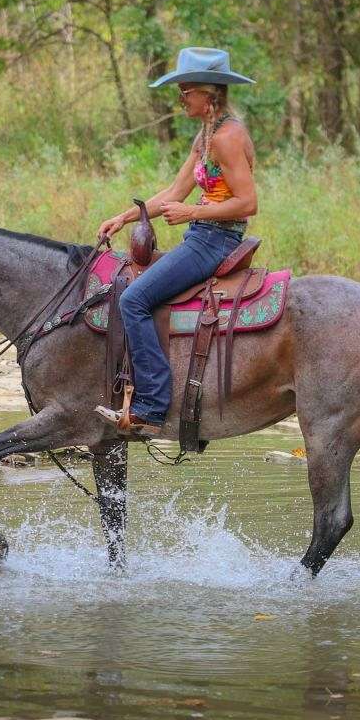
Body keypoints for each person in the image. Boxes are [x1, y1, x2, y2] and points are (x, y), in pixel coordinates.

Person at [94, 47, 258, 437]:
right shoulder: (207, 136)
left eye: (186, 91)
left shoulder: (228, 138)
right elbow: (176, 189)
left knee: (133, 300)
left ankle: (151, 405)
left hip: (215, 240)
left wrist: (193, 214)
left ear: (210, 95)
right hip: (202, 234)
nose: (180, 98)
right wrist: (127, 216)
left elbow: (247, 202)